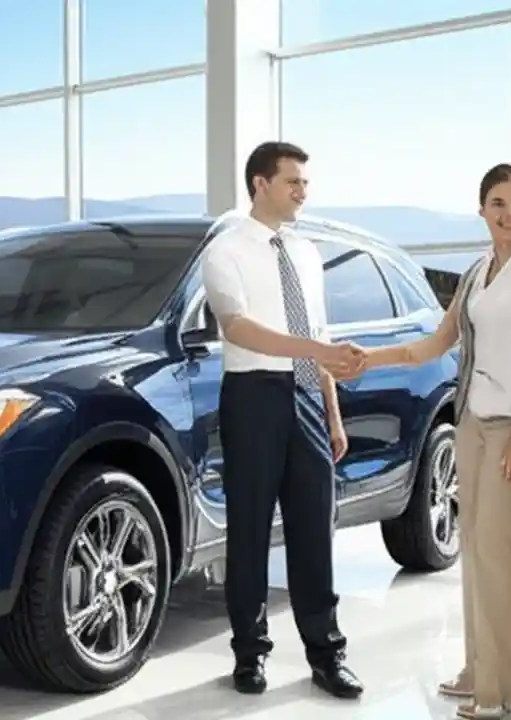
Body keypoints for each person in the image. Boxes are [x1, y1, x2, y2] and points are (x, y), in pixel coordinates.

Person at [347, 163, 511, 718]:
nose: (510, 214)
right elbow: (437, 343)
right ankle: (480, 671)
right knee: (474, 552)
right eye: (499, 203)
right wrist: (365, 360)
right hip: (472, 422)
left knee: (503, 555)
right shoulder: (477, 272)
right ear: (482, 210)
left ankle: (508, 690)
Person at [200, 140, 366, 699]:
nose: (302, 191)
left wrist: (332, 414)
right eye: (292, 181)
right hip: (252, 395)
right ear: (260, 184)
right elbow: (237, 328)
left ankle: (327, 654)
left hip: (306, 398)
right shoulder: (226, 249)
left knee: (314, 530)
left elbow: (316, 335)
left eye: (304, 182)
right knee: (249, 531)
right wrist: (313, 352)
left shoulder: (307, 253)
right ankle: (249, 655)